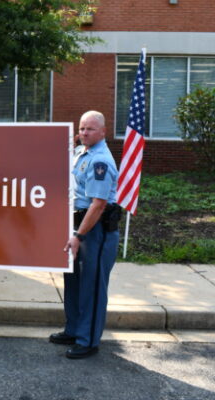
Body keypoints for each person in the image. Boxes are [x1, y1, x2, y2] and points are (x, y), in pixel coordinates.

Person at [50, 110, 120, 359]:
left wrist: (78, 235)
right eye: (81, 128)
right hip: (77, 227)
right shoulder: (81, 153)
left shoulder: (100, 161)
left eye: (90, 129)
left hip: (95, 232)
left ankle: (88, 340)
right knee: (74, 282)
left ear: (103, 131)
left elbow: (98, 204)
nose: (84, 133)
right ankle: (73, 329)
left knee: (91, 286)